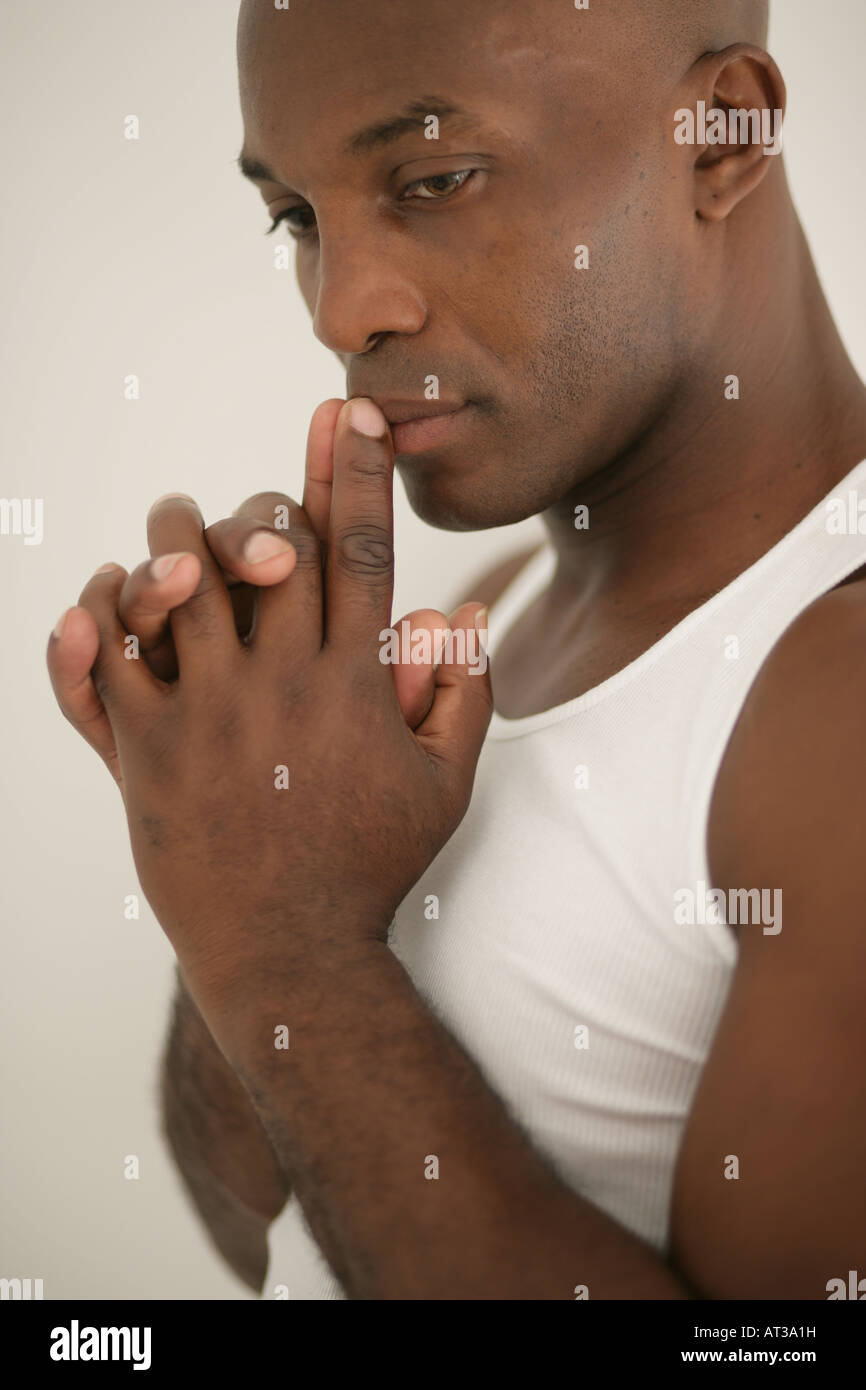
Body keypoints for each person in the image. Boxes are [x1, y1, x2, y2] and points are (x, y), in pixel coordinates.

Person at [47, 0, 866, 1299]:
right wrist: (234, 850)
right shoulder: (483, 617)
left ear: (721, 136)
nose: (340, 306)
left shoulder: (836, 703)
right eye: (297, 217)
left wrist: (288, 947)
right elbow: (243, 1219)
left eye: (431, 179)